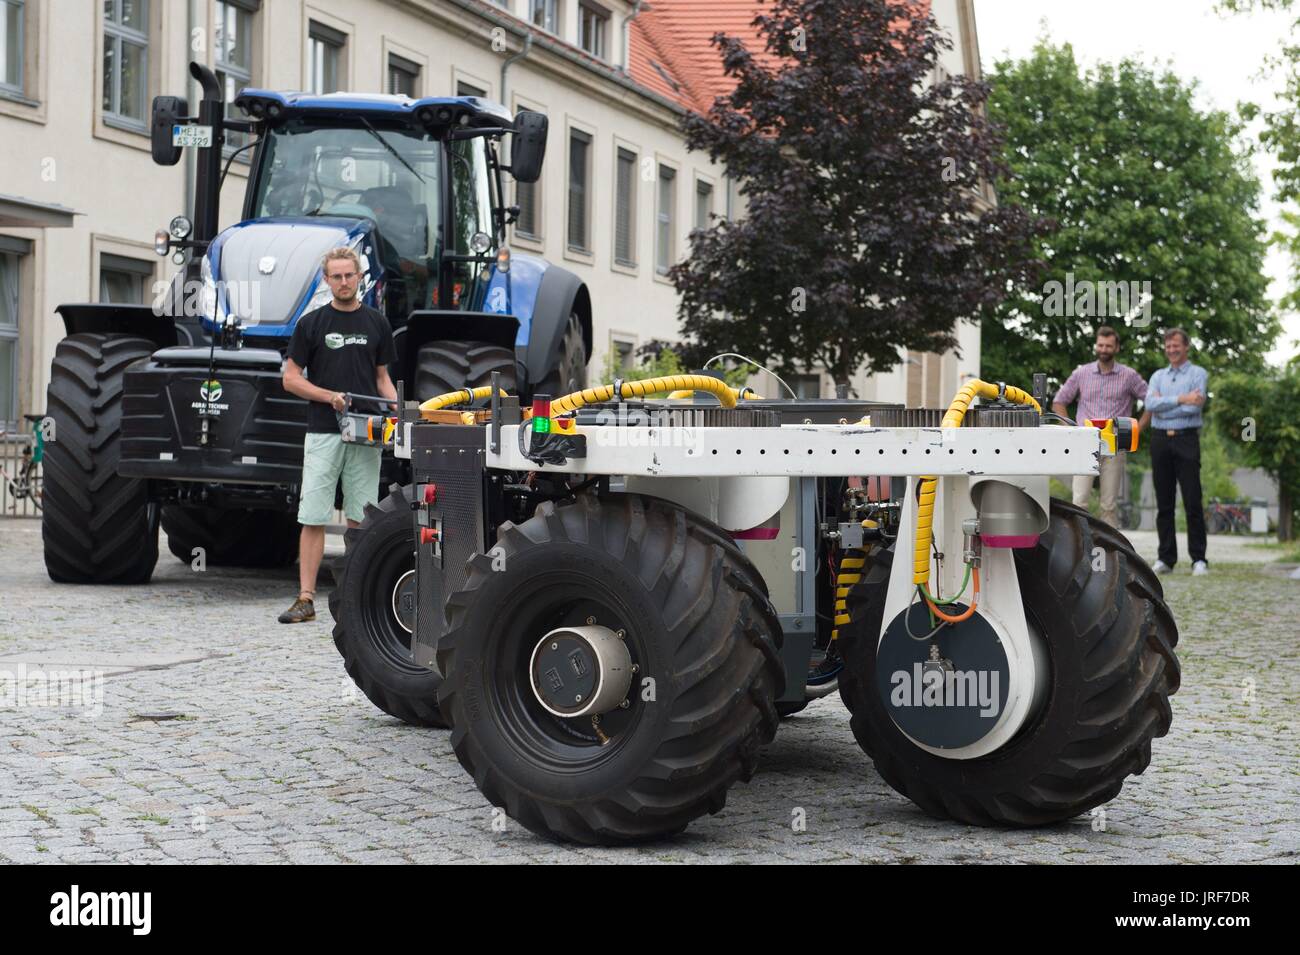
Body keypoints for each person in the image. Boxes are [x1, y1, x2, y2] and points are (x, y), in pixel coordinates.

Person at [278, 247, 397, 623]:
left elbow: (382, 381)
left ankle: (357, 600)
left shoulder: (377, 324)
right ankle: (305, 598)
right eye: (336, 276)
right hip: (323, 433)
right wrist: (327, 396)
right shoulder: (311, 324)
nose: (344, 282)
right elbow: (290, 378)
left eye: (350, 275)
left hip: (366, 433)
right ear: (326, 280)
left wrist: (398, 407)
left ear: (360, 277)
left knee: (362, 520)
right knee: (313, 515)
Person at [1051, 325, 1148, 528]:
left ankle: (1109, 550)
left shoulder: (1129, 376)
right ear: (1096, 345)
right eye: (1101, 345)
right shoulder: (1082, 373)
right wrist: (1070, 430)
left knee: (1109, 504)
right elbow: (1059, 401)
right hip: (1085, 442)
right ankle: (1079, 547)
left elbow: (1152, 402)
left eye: (1108, 346)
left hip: (1114, 443)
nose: (1104, 349)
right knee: (1079, 501)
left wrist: (1137, 429)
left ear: (1117, 348)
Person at [1139, 328, 1209, 576]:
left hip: (1186, 439)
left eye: (1176, 345)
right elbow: (1150, 405)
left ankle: (1199, 559)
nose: (1171, 350)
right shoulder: (1157, 376)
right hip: (1160, 441)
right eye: (1168, 346)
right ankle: (1166, 558)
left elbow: (1195, 408)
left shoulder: (1198, 374)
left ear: (1186, 346)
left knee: (1192, 500)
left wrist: (1165, 403)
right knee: (1164, 503)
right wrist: (1182, 399)